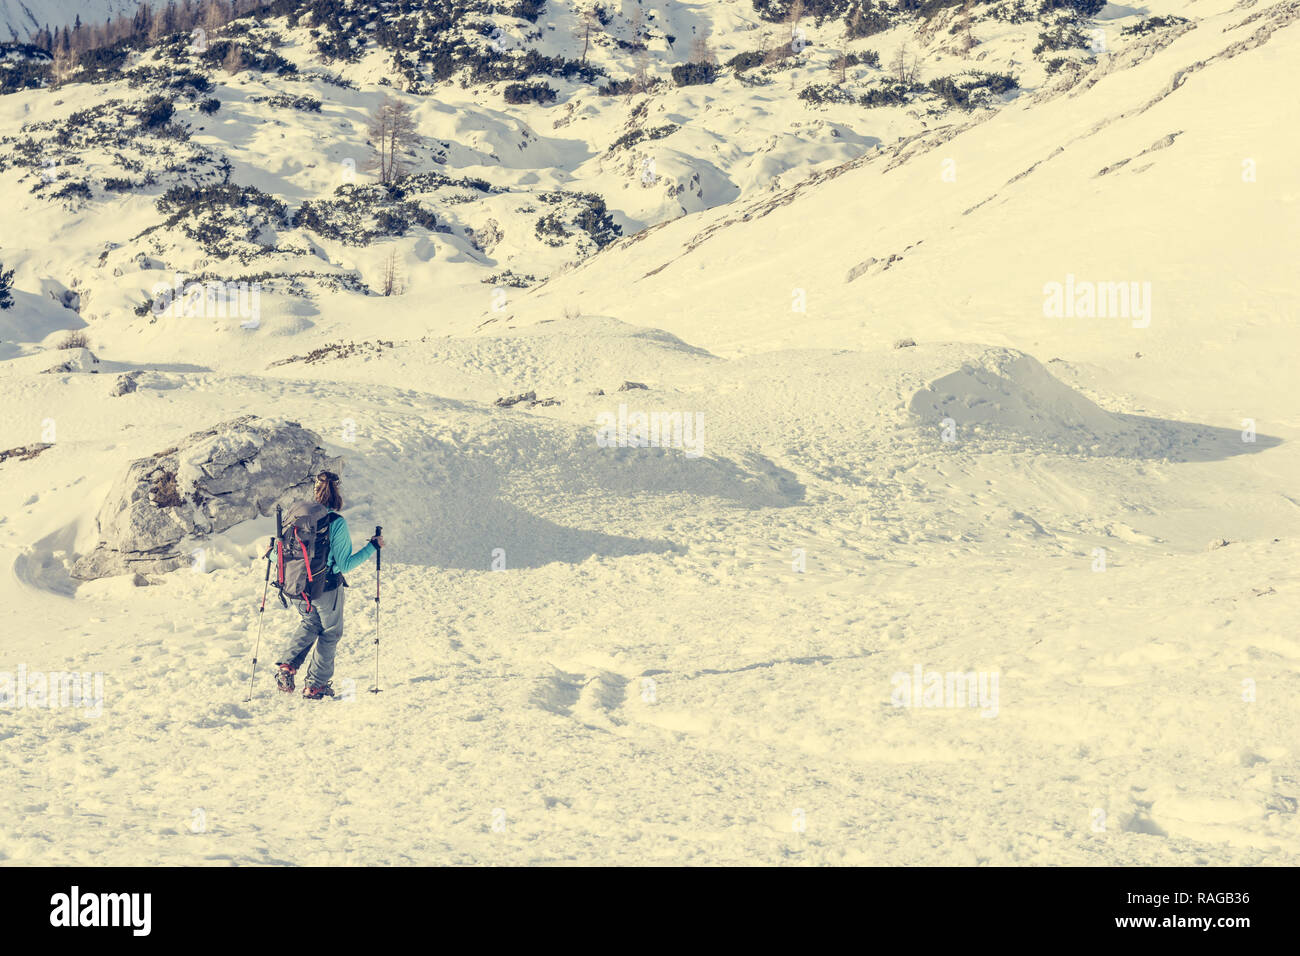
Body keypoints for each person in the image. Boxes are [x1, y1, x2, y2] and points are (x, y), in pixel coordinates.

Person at [275, 471, 383, 699]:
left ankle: (286, 666)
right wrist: (373, 547)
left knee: (310, 623)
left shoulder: (297, 516)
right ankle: (316, 685)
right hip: (325, 589)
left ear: (315, 491)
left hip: (296, 585)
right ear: (338, 493)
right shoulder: (336, 522)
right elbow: (344, 564)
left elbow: (278, 555)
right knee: (331, 633)